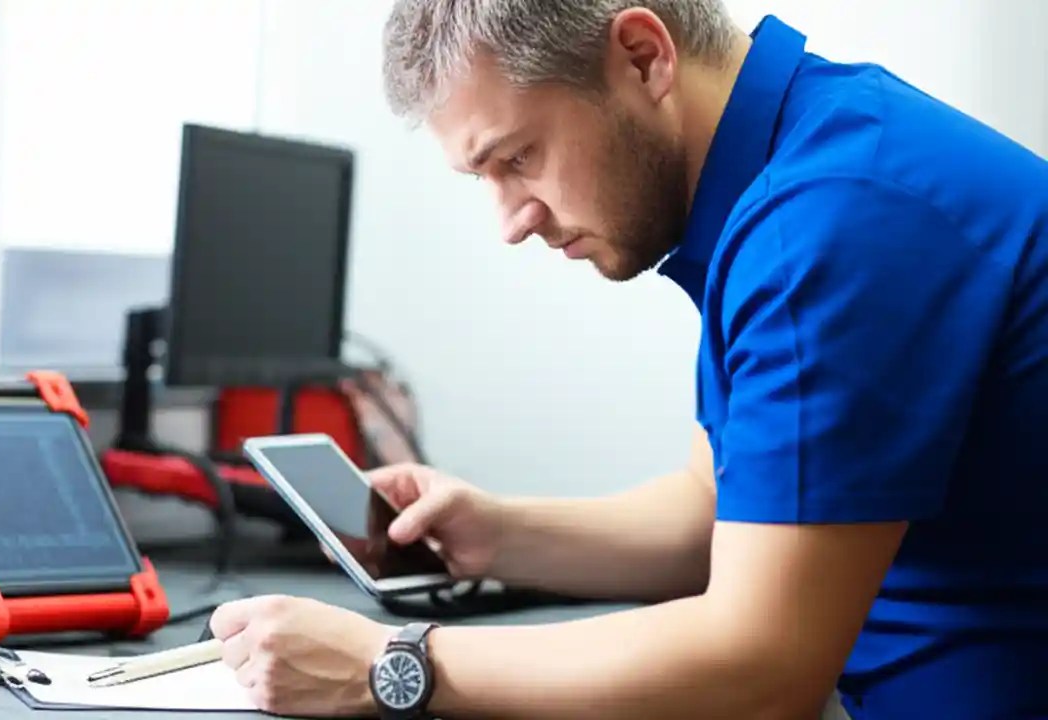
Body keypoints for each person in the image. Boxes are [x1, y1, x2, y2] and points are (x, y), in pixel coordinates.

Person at [208, 1, 1048, 718]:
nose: (511, 219)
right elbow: (709, 514)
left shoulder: (828, 224)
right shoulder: (802, 157)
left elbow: (761, 667)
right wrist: (495, 533)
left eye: (518, 157)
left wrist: (387, 666)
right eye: (484, 176)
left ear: (644, 58)